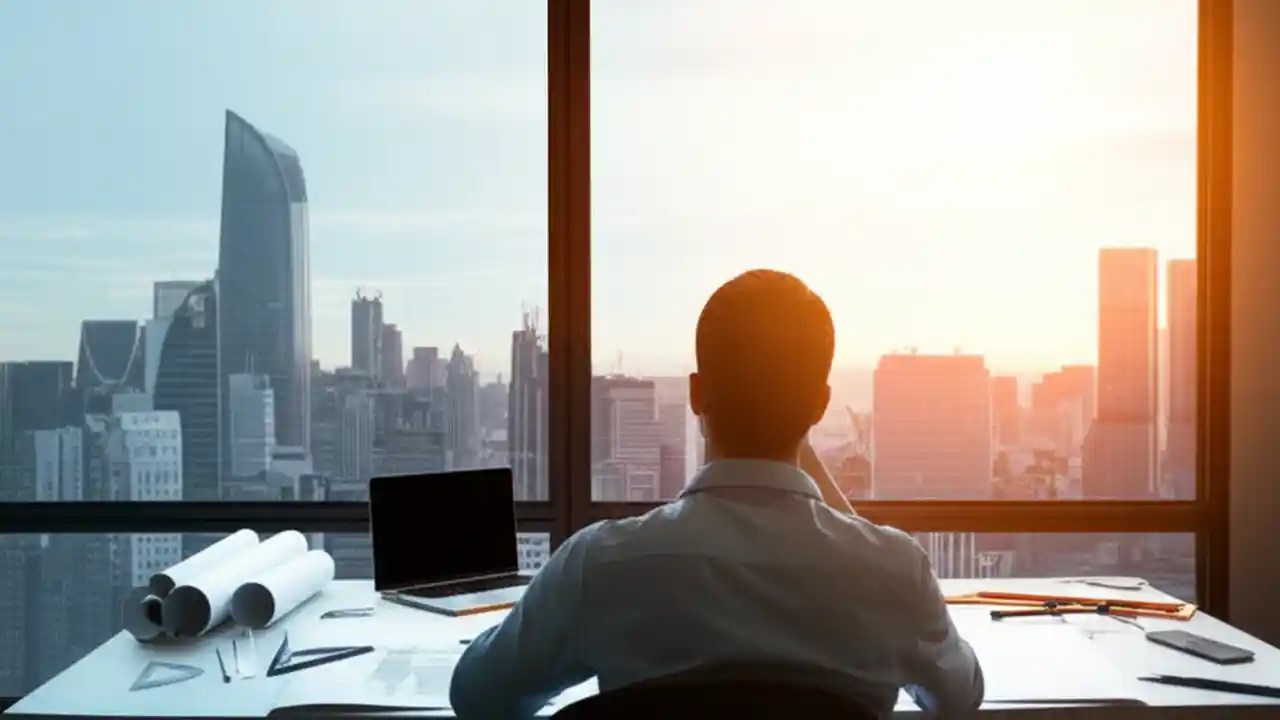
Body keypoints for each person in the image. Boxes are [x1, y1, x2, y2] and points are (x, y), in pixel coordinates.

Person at [450, 269, 984, 718]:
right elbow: (959, 698)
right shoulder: (892, 571)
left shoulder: (602, 566)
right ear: (821, 405)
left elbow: (477, 695)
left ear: (696, 393)